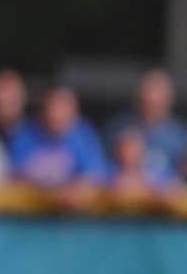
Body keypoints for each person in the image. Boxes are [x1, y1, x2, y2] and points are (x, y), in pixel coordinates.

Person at [8, 84, 111, 213]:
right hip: (31, 214)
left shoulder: (83, 137)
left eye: (62, 107)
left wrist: (76, 190)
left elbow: (97, 175)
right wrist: (53, 192)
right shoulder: (25, 136)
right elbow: (14, 178)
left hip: (72, 216)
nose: (56, 114)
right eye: (53, 107)